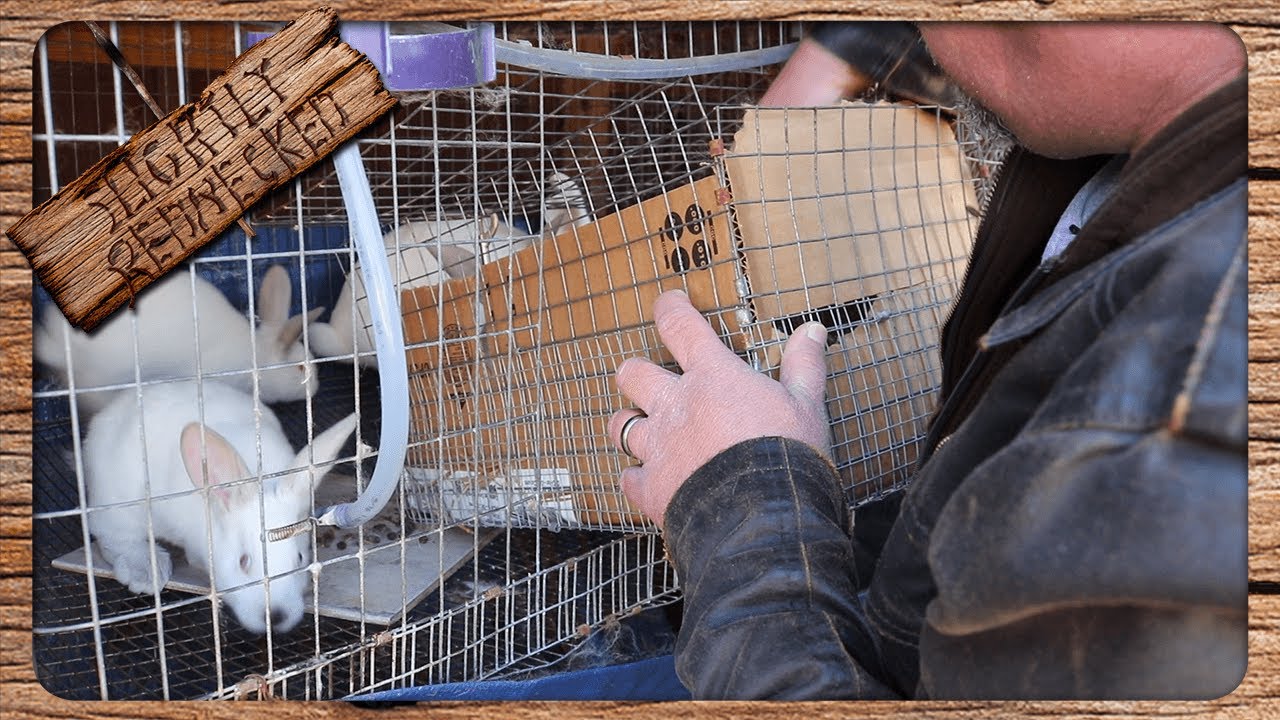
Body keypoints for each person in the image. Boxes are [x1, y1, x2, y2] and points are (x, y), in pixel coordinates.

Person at [607, 22, 1247, 699]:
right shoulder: (1126, 138)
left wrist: (746, 505)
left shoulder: (1187, 415)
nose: (926, 28)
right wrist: (836, 60)